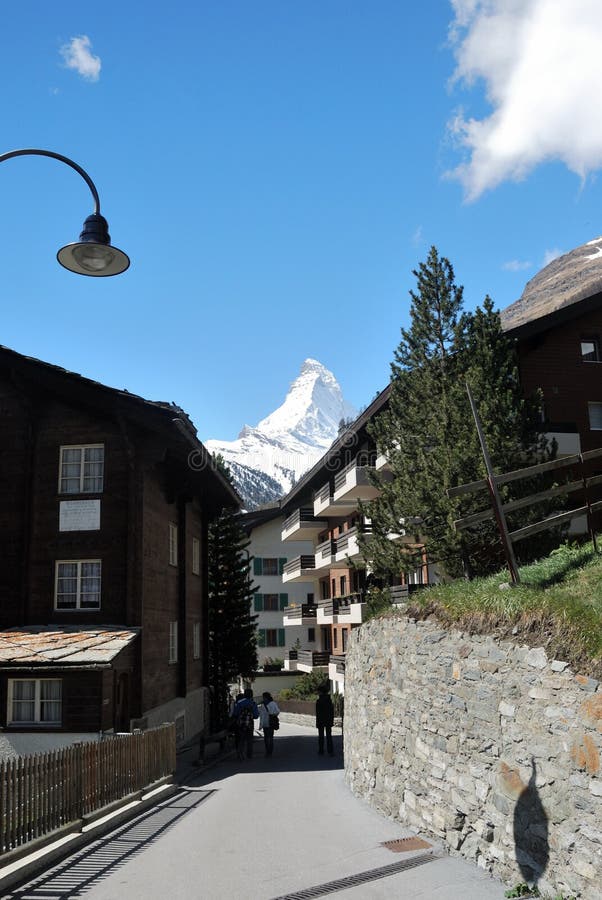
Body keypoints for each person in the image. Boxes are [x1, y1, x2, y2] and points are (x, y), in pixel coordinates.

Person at [232, 688, 259, 759]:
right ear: (252, 695)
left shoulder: (239, 702)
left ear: (244, 694)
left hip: (241, 723)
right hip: (250, 723)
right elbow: (256, 715)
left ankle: (240, 754)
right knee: (249, 740)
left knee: (241, 739)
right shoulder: (253, 703)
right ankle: (249, 755)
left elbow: (235, 713)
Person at [258, 691, 280, 757]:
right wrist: (273, 714)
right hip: (271, 722)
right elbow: (278, 711)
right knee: (271, 737)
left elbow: (260, 714)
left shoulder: (262, 705)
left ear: (265, 697)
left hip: (265, 722)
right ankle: (270, 751)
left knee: (266, 737)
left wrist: (261, 725)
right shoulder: (273, 703)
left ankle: (267, 751)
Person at [315, 684, 334, 756]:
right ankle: (330, 751)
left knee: (321, 736)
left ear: (321, 692)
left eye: (318, 691)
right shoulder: (329, 700)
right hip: (328, 720)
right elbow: (332, 711)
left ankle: (321, 750)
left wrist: (317, 723)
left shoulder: (319, 701)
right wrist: (331, 721)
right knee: (329, 736)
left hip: (321, 721)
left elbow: (318, 713)